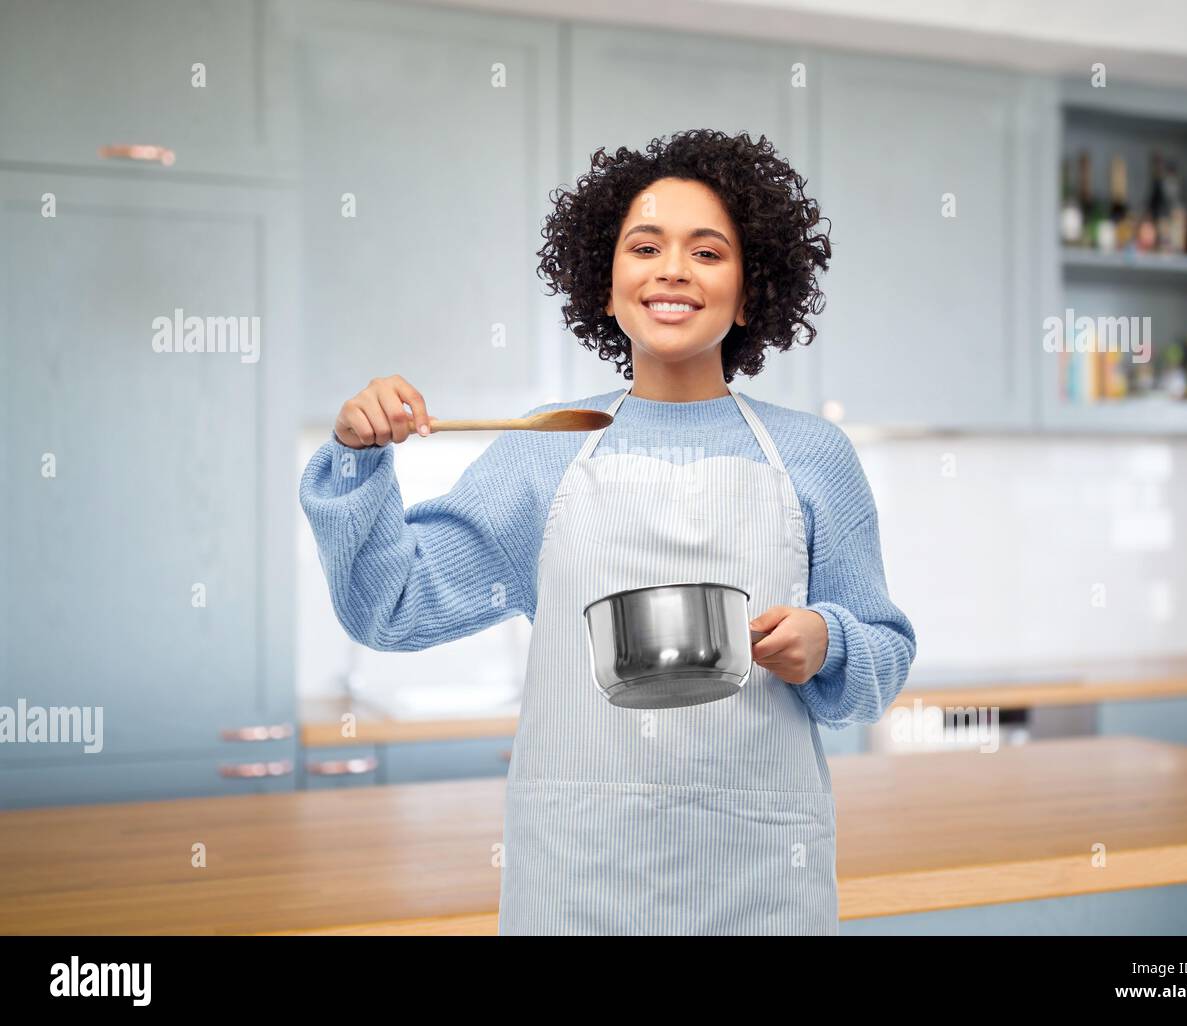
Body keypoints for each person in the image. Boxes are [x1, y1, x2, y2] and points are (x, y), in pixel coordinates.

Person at [300, 128, 917, 935]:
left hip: (761, 880)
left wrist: (828, 642)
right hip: (578, 880)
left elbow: (885, 656)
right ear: (605, 280)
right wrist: (356, 458)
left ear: (751, 287)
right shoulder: (545, 447)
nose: (671, 271)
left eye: (707, 253)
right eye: (645, 246)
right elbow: (394, 605)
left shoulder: (813, 456)